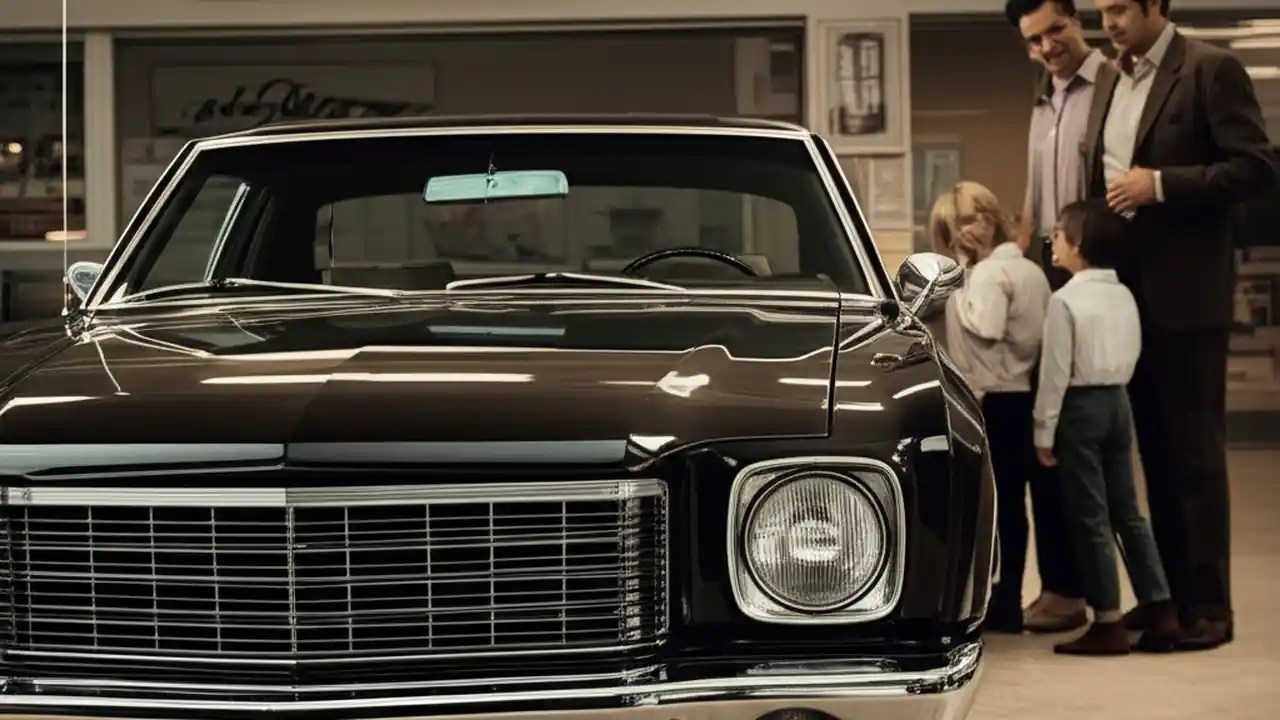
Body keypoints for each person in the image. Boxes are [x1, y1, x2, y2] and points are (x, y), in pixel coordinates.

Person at [1084, 0, 1278, 650]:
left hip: (1187, 297)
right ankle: (1165, 600)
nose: (1107, 21)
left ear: (1155, 7)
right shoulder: (1115, 78)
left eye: (1118, 9)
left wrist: (1161, 185)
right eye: (1101, 9)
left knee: (1194, 456)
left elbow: (1256, 168)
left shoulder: (1209, 69)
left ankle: (1210, 611)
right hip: (1126, 297)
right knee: (1154, 456)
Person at [1033, 198, 1180, 655]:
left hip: (1080, 408)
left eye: (1058, 233)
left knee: (1091, 517)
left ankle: (1108, 621)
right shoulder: (1123, 294)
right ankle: (1161, 608)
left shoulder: (1065, 299)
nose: (1052, 240)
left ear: (1077, 244)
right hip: (1120, 401)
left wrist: (1043, 431)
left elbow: (1055, 373)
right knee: (1129, 513)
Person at [931, 181, 1053, 633]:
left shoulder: (989, 276)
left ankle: (996, 600)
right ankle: (1007, 597)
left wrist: (958, 285)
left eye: (966, 221)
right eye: (954, 227)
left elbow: (986, 325)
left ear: (988, 219)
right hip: (1019, 395)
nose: (961, 234)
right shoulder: (1028, 271)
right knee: (1010, 506)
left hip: (995, 399)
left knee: (992, 506)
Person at [1006, 0, 1106, 292]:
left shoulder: (1113, 85)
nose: (1047, 47)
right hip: (1053, 256)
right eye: (1035, 40)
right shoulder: (1042, 100)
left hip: (1099, 257)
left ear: (1075, 19)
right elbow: (1034, 183)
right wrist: (1020, 243)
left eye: (1055, 30)